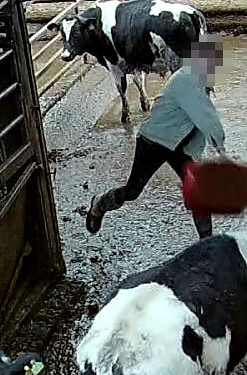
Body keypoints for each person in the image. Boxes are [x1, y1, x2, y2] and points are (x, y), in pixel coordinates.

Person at [84, 43, 226, 238]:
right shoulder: (187, 80)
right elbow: (207, 119)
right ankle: (99, 204)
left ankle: (207, 244)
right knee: (133, 191)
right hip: (154, 141)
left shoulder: (201, 81)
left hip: (178, 146)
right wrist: (222, 150)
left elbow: (199, 123)